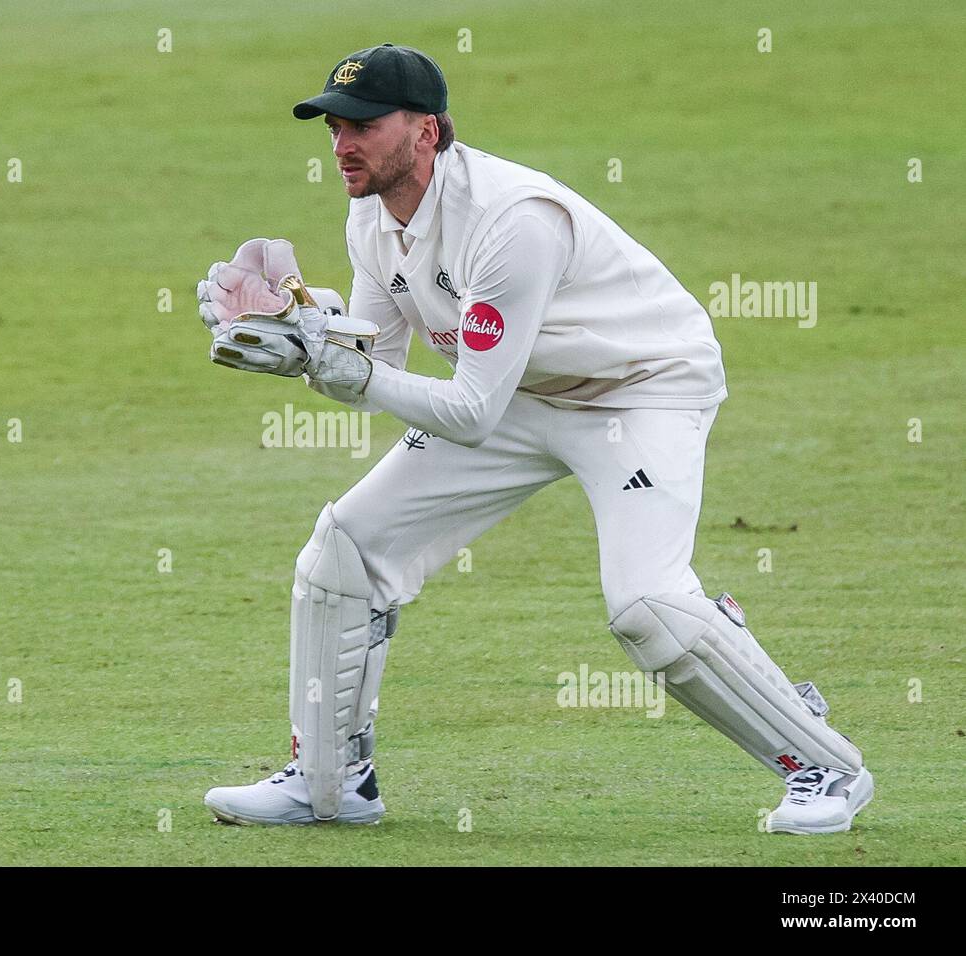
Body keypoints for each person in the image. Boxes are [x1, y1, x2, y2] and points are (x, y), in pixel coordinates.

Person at [195, 43, 872, 834]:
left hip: (638, 390)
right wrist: (303, 335)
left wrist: (336, 368)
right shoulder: (371, 216)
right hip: (520, 392)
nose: (343, 144)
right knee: (343, 554)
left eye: (365, 126)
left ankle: (826, 766)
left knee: (646, 606)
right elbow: (374, 368)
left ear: (427, 131)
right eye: (335, 125)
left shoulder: (512, 221)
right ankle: (329, 786)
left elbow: (471, 411)